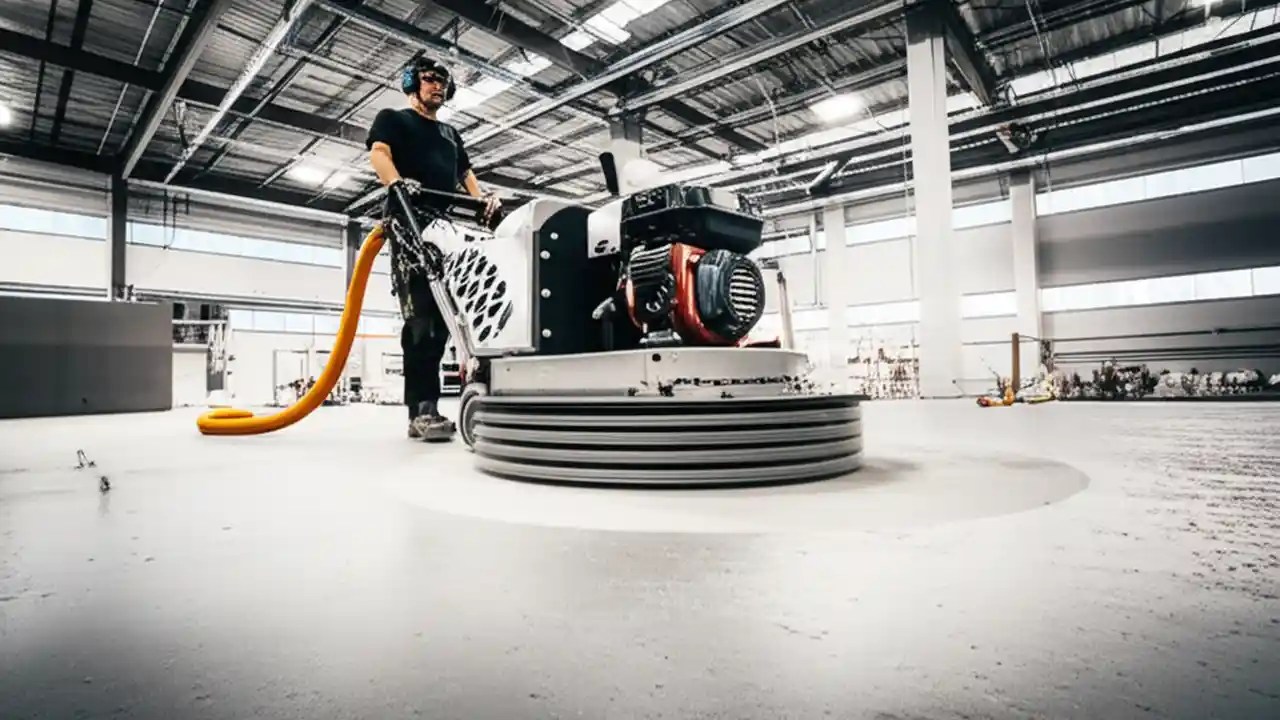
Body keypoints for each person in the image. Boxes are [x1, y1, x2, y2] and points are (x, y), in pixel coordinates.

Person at [366, 57, 501, 441]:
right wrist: (397, 184)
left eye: (443, 81)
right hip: (408, 223)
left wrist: (482, 200)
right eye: (429, 79)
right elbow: (379, 153)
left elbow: (464, 173)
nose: (437, 86)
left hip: (443, 228)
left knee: (450, 318)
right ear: (413, 82)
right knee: (421, 320)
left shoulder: (449, 133)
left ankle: (459, 397)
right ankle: (421, 411)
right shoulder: (393, 119)